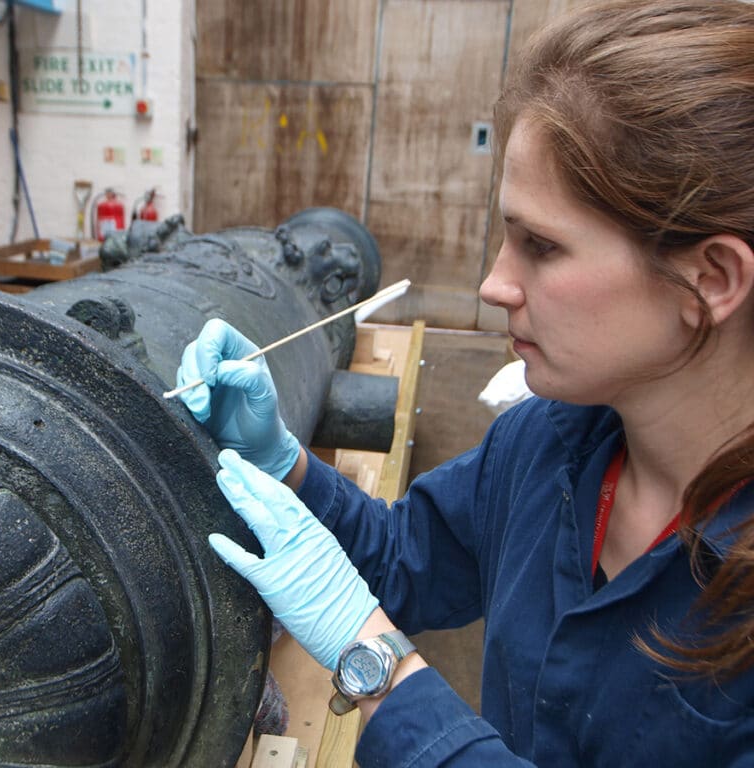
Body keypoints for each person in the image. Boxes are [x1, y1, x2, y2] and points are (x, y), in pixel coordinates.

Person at [175, 1, 754, 764]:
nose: (493, 284)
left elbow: (372, 616)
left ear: (709, 277)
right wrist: (285, 462)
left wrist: (375, 662)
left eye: (541, 247)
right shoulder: (549, 442)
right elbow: (402, 559)